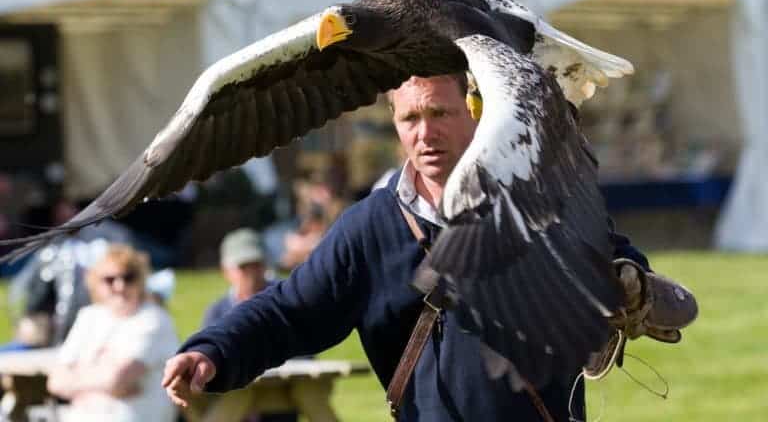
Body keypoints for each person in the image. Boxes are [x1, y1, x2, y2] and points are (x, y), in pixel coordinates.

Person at [164, 74, 690, 421]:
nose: (425, 133)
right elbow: (289, 311)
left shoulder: (537, 202)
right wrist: (213, 350)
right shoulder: (372, 227)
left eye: (440, 113)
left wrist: (627, 285)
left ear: (475, 112)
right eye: (410, 119)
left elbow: (640, 285)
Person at [48, 244, 179, 422]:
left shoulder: (153, 319)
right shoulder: (89, 317)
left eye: (128, 277)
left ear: (140, 280)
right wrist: (105, 382)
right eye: (110, 279)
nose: (120, 286)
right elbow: (55, 381)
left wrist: (79, 380)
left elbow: (117, 379)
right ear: (96, 282)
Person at [201, 228, 297, 422]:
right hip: (232, 397)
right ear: (225, 271)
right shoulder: (217, 311)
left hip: (282, 396)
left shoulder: (286, 300)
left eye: (257, 264)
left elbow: (306, 353)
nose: (252, 273)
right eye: (244, 266)